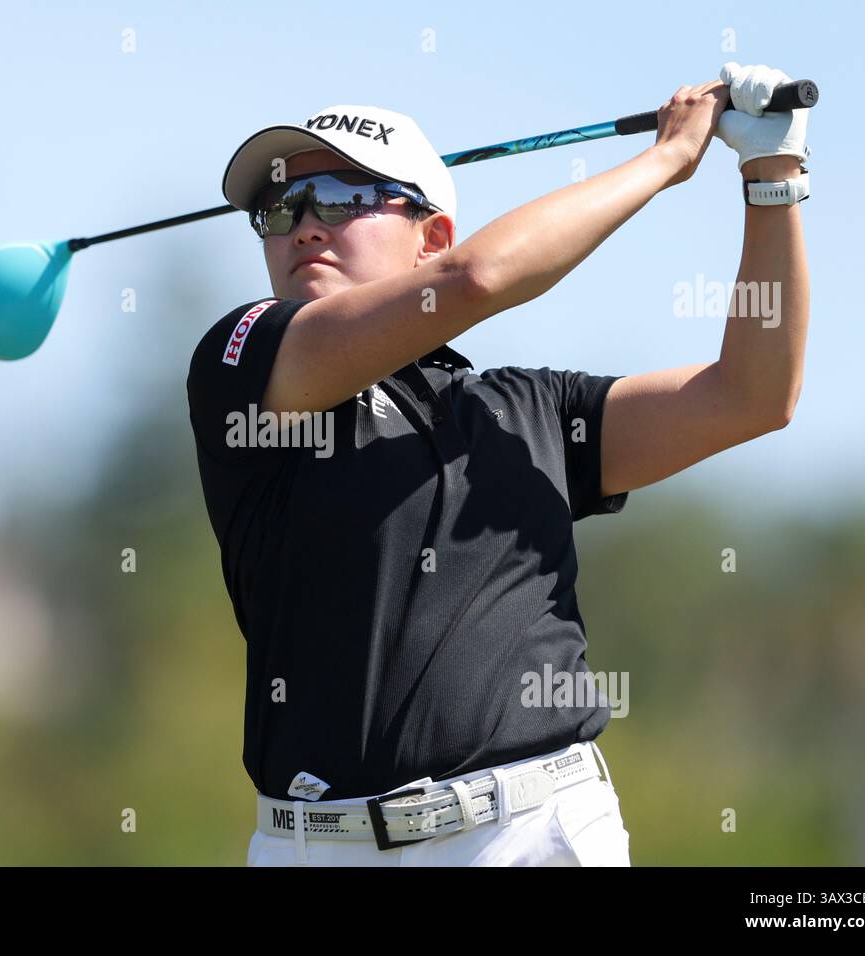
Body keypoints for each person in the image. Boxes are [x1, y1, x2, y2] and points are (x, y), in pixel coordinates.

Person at [185, 63, 810, 866]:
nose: (306, 225)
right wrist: (662, 160)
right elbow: (476, 279)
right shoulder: (243, 364)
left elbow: (751, 397)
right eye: (281, 206)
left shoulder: (530, 413)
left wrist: (772, 177)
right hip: (312, 844)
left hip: (525, 834)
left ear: (430, 234)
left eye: (343, 199)